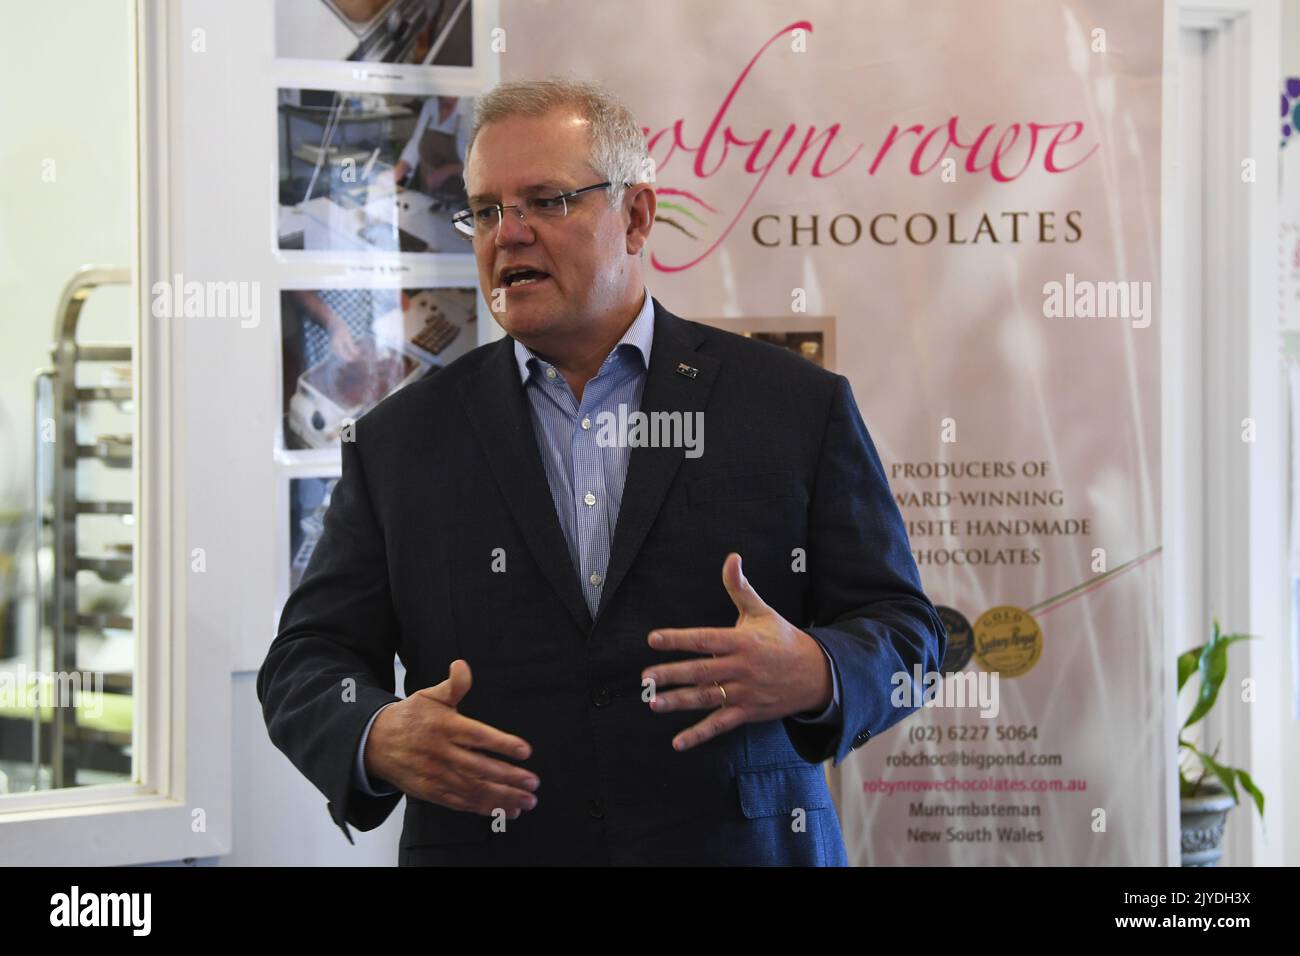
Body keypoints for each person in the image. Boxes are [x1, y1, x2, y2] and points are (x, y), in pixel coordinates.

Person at [257, 77, 946, 866]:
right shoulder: (401, 440)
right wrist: (376, 735)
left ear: (638, 216)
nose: (506, 235)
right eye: (484, 211)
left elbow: (907, 634)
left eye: (545, 201)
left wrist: (818, 672)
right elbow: (306, 661)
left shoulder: (791, 406)